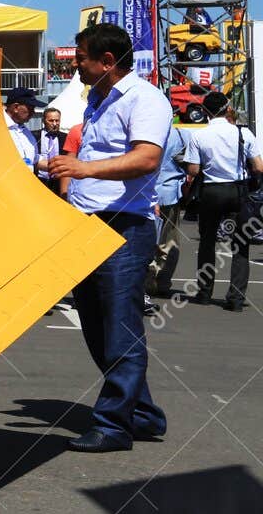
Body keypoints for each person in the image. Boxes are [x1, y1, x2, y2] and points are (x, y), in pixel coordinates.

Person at [46, 23, 170, 453]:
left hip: (124, 227)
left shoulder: (146, 99)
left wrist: (84, 169)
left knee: (120, 330)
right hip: (89, 224)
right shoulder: (97, 99)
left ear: (107, 62)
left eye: (80, 57)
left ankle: (114, 425)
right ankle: (144, 415)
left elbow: (147, 158)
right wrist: (69, 169)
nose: (74, 63)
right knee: (98, 330)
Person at [183, 93, 262, 311]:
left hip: (211, 190)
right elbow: (258, 167)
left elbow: (193, 170)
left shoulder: (200, 136)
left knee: (207, 241)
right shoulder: (243, 132)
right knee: (241, 245)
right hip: (238, 190)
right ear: (227, 108)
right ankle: (235, 299)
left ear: (206, 111)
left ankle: (205, 292)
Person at [145, 119, 189, 301]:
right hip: (171, 191)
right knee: (169, 241)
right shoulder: (182, 134)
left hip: (144, 192)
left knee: (146, 239)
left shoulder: (145, 133)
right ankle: (162, 281)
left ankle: (147, 281)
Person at [3, 87, 43, 166]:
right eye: (30, 108)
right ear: (16, 108)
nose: (33, 112)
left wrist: (57, 166)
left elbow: (34, 159)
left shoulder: (26, 132)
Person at [35, 107, 68, 195]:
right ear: (44, 121)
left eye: (57, 121)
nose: (54, 123)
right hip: (39, 181)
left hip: (58, 183)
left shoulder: (66, 138)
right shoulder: (34, 136)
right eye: (51, 120)